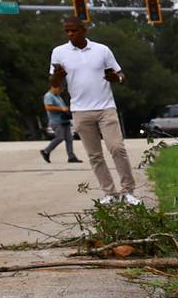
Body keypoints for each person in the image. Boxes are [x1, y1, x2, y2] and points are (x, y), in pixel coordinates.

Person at [47, 18, 136, 201]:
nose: (70, 34)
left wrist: (116, 79)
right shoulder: (59, 52)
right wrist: (56, 77)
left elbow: (120, 74)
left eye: (74, 30)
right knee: (95, 156)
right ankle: (110, 193)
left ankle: (128, 191)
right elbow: (55, 85)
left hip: (106, 108)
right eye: (67, 31)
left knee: (117, 148)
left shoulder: (102, 50)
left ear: (84, 30)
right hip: (80, 111)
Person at [39, 82, 78, 164]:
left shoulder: (58, 97)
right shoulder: (49, 96)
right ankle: (46, 151)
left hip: (64, 121)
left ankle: (71, 156)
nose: (61, 91)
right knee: (60, 137)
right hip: (56, 121)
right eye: (60, 89)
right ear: (55, 87)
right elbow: (48, 107)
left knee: (69, 139)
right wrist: (61, 109)